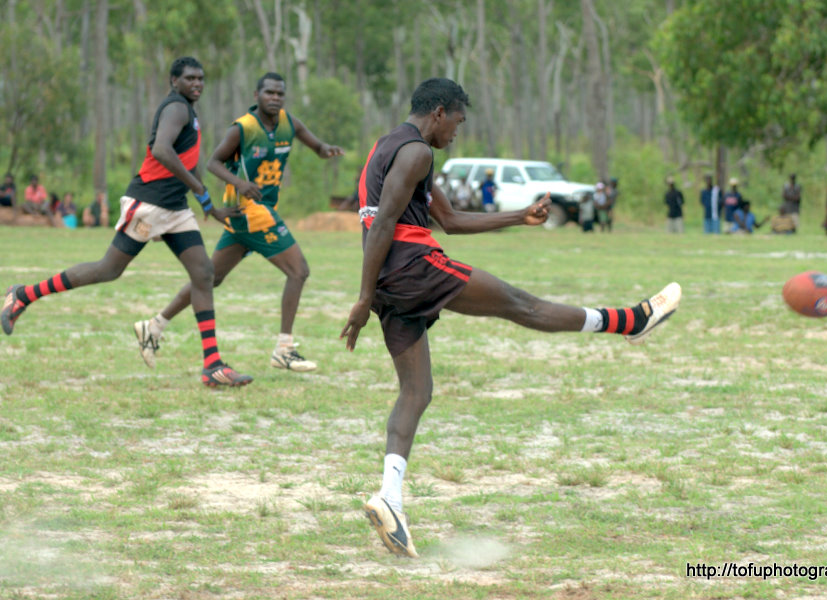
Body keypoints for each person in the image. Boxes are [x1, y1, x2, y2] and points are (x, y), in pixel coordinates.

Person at [340, 78, 681, 558]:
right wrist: (361, 298)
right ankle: (631, 321)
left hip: (391, 282)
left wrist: (519, 216)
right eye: (458, 121)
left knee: (417, 391)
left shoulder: (389, 145)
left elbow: (450, 220)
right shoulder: (416, 153)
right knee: (522, 305)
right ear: (439, 113)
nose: (457, 132)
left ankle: (389, 498)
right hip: (412, 266)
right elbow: (382, 225)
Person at [1, 57, 253, 387]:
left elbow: (186, 162)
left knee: (204, 273)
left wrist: (209, 205)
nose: (197, 83)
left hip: (175, 209)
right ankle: (23, 294)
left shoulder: (189, 113)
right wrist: (200, 190)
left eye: (201, 78)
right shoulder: (176, 108)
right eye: (190, 78)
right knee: (108, 269)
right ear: (174, 80)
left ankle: (212, 365)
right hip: (149, 205)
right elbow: (161, 150)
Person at [133, 72, 344, 373]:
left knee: (209, 278)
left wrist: (326, 150)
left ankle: (154, 325)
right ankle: (284, 349)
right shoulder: (243, 128)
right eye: (269, 93)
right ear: (257, 95)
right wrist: (240, 183)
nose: (275, 98)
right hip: (251, 211)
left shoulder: (289, 123)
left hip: (249, 215)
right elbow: (212, 163)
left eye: (280, 94)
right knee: (299, 271)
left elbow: (317, 146)